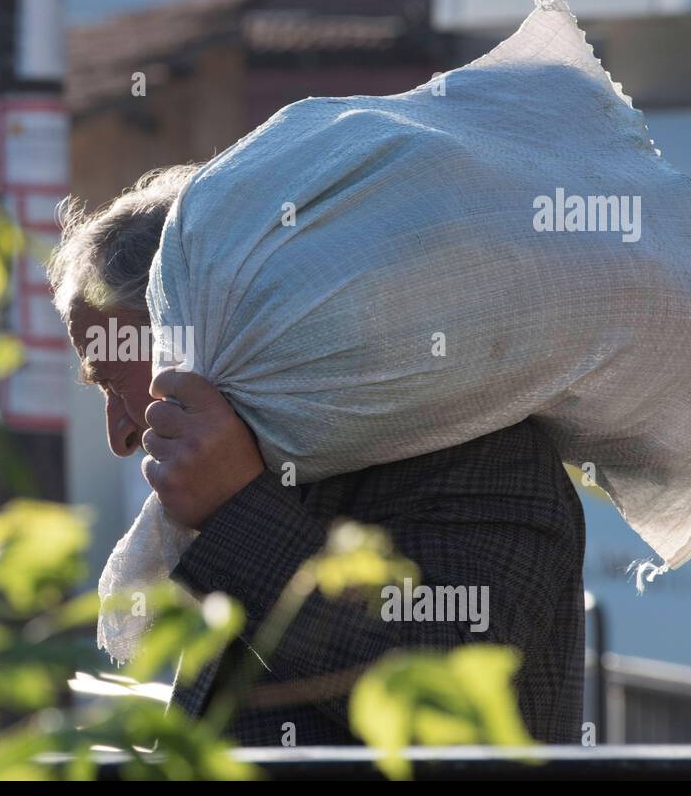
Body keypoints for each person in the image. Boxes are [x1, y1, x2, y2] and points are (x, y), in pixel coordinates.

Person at [49, 165, 587, 746]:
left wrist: (236, 510)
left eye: (110, 377)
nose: (120, 435)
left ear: (213, 330)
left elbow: (444, 703)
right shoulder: (279, 474)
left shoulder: (479, 456)